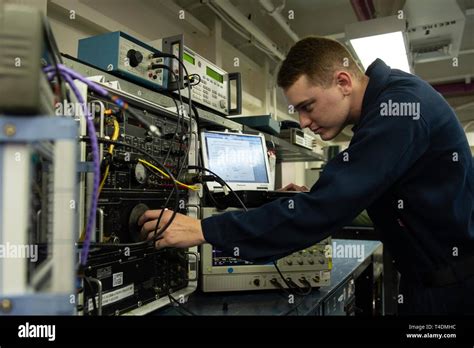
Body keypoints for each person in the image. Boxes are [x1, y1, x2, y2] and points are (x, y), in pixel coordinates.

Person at [138, 37, 474, 315]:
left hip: (449, 293)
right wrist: (310, 201)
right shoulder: (393, 101)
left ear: (343, 82)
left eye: (307, 106)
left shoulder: (399, 109)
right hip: (435, 281)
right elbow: (368, 199)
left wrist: (202, 229)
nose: (302, 122)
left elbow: (328, 208)